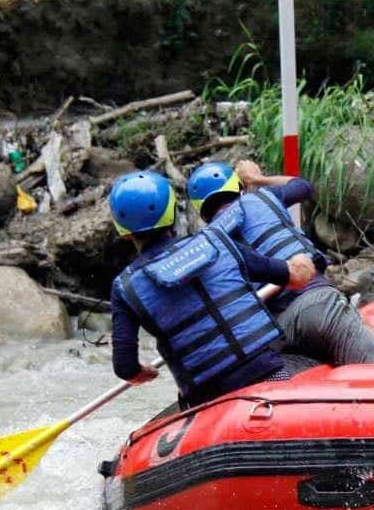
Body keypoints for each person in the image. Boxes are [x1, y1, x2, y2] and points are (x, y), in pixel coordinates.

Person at [107, 170, 317, 408]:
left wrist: (141, 373)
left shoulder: (123, 288)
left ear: (123, 231)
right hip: (266, 375)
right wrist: (303, 261)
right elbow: (297, 277)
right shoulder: (218, 241)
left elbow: (125, 367)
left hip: (207, 400)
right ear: (174, 212)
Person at [186, 160, 374, 367]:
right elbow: (302, 185)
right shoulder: (264, 197)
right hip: (317, 304)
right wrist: (257, 179)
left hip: (277, 334)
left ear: (201, 211)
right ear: (239, 186)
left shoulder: (209, 242)